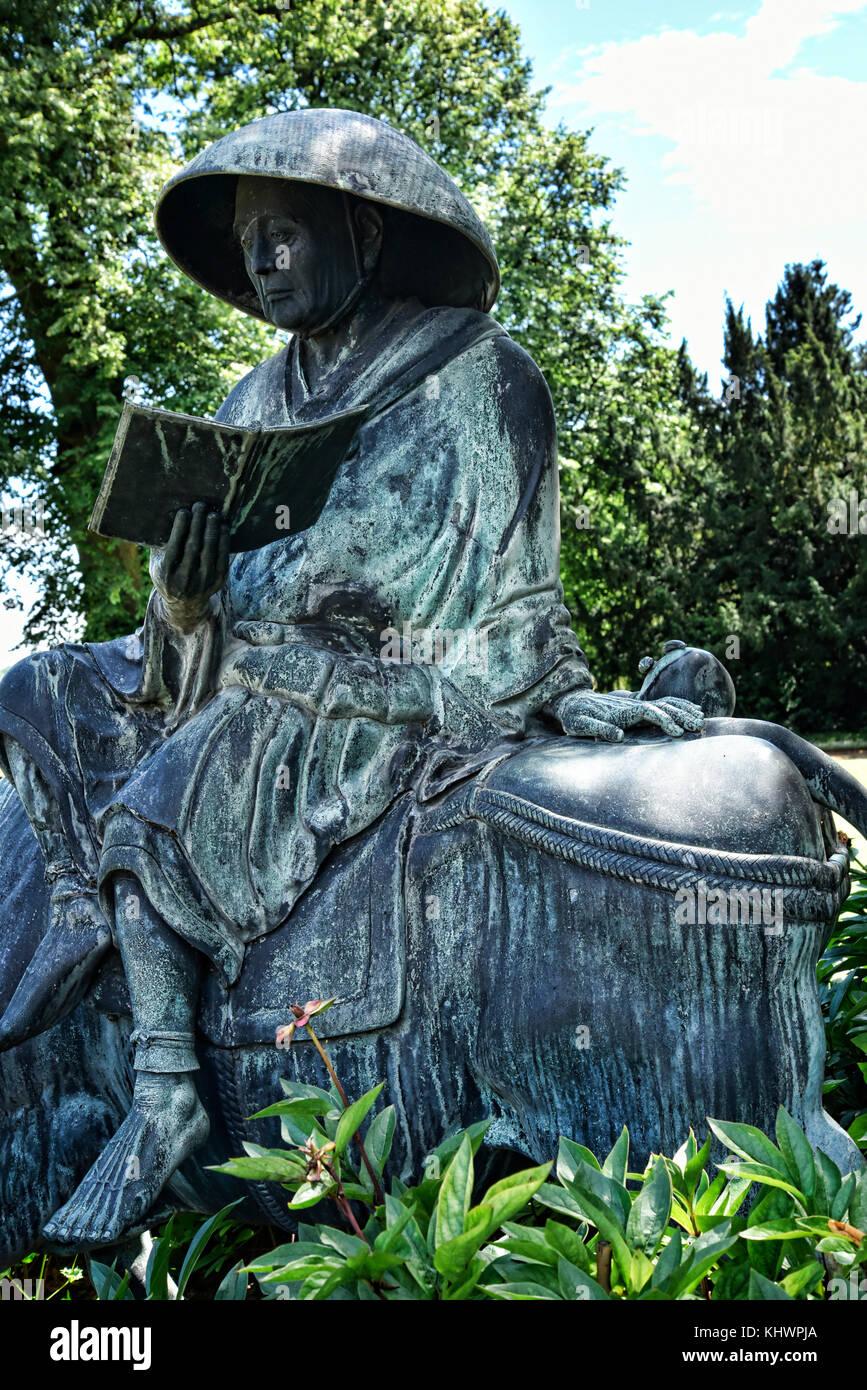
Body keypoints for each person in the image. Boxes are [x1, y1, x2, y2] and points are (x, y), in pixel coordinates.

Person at [0, 109, 702, 1246]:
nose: (262, 262)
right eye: (249, 245)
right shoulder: (246, 403)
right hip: (233, 672)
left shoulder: (483, 379)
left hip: (382, 696)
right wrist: (182, 597)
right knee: (39, 690)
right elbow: (188, 629)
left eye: (284, 234)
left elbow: (515, 587)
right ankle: (76, 943)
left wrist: (556, 686)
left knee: (162, 798)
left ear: (365, 238)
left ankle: (167, 1087)